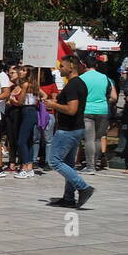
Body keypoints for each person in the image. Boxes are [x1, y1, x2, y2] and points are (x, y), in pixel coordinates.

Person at [43, 54, 94, 209]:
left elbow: (72, 110)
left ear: (72, 66)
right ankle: (69, 197)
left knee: (54, 161)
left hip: (68, 130)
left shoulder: (73, 85)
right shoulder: (78, 84)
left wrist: (54, 105)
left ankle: (83, 187)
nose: (59, 69)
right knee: (68, 164)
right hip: (75, 128)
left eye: (62, 66)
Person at [80, 54, 116, 174]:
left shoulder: (82, 78)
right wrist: (104, 101)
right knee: (98, 139)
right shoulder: (105, 78)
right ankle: (95, 163)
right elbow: (114, 97)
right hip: (102, 110)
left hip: (87, 110)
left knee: (89, 140)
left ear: (84, 65)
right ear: (96, 65)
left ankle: (90, 166)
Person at [9, 66, 38, 179]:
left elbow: (20, 101)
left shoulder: (25, 85)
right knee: (29, 140)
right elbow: (43, 95)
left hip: (27, 111)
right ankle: (30, 166)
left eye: (23, 70)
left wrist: (14, 100)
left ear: (28, 73)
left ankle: (24, 167)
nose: (20, 72)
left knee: (22, 141)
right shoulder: (34, 84)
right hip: (32, 111)